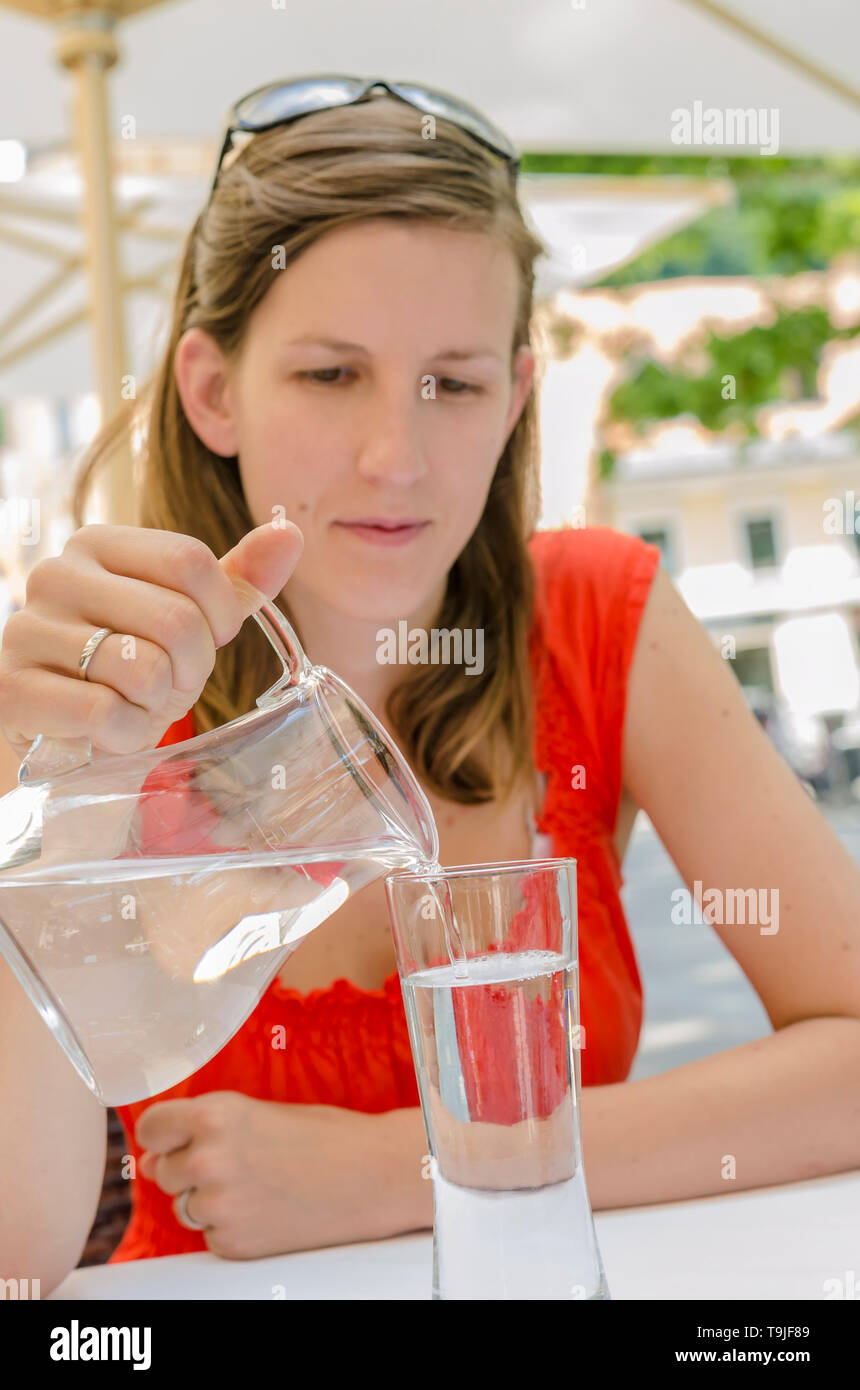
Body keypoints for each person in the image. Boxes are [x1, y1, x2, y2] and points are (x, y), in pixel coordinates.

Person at [1, 76, 859, 1290]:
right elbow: (15, 1251)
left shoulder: (595, 621)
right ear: (210, 391)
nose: (393, 459)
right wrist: (63, 789)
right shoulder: (98, 689)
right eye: (329, 375)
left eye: (450, 385)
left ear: (514, 400)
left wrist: (400, 1165)